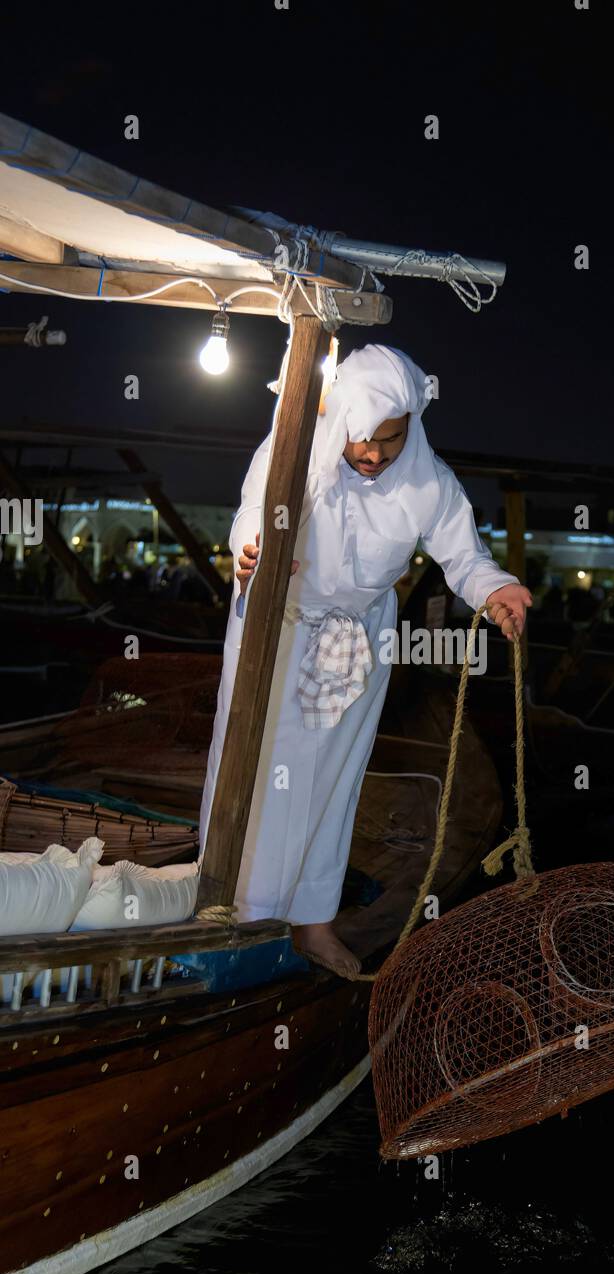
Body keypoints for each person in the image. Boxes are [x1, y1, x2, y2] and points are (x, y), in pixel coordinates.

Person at [199, 344, 532, 981]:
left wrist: (495, 589)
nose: (376, 454)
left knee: (336, 776)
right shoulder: (293, 448)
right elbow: (252, 515)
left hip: (360, 638)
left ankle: (313, 922)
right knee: (261, 770)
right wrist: (250, 552)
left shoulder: (425, 476)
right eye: (363, 440)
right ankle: (237, 914)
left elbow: (463, 554)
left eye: (392, 439)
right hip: (280, 623)